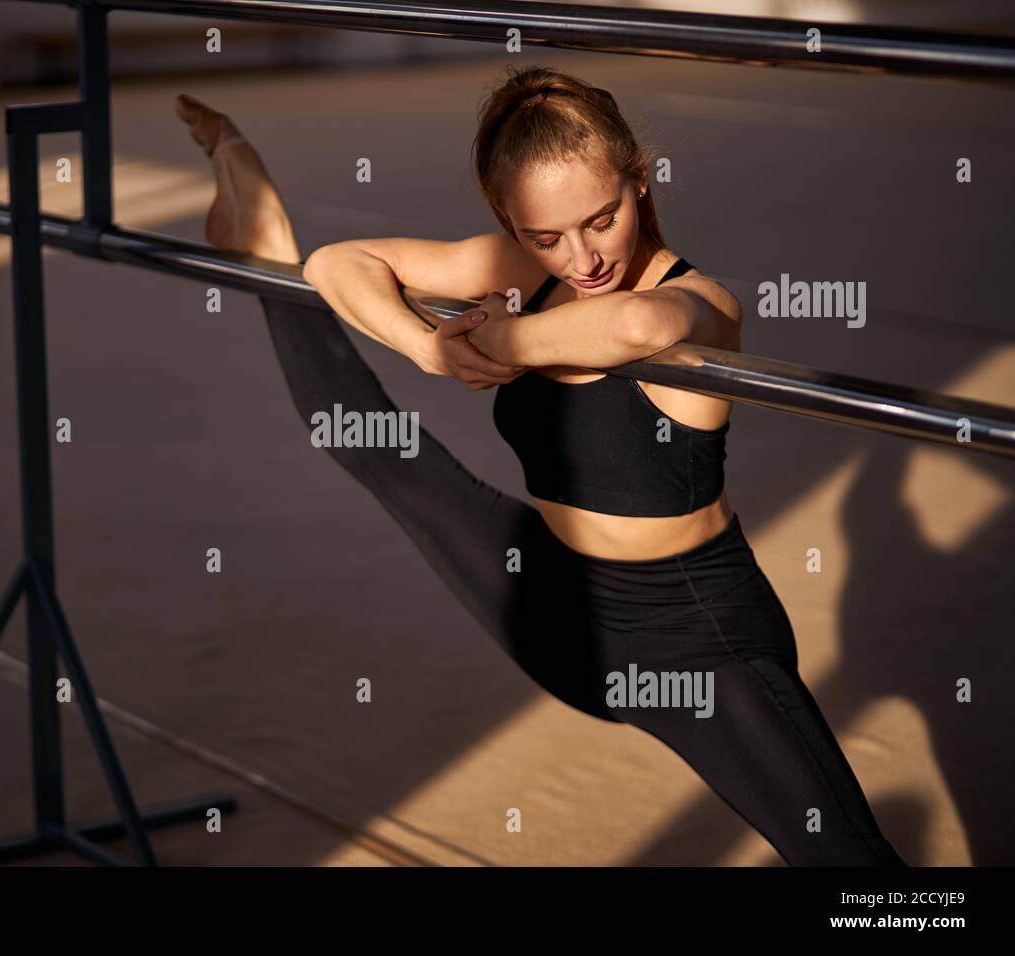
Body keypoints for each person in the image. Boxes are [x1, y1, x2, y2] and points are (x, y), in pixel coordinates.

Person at [173, 64, 906, 866]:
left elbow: (635, 327)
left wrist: (495, 341)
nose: (584, 258)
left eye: (603, 218)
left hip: (696, 643)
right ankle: (261, 233)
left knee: (855, 868)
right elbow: (340, 264)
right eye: (544, 236)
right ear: (509, 223)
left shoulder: (703, 302)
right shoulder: (525, 273)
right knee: (370, 446)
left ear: (641, 181)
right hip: (555, 601)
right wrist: (427, 346)